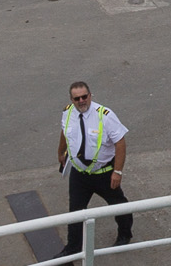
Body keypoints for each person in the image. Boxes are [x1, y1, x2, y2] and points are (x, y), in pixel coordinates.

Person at [57, 80, 133, 253]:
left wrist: (117, 172)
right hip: (79, 174)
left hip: (104, 173)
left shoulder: (104, 116)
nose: (81, 101)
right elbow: (64, 132)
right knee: (75, 212)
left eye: (84, 96)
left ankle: (125, 234)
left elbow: (120, 143)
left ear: (90, 96)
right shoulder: (68, 113)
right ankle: (72, 248)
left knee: (119, 205)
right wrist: (60, 152)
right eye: (77, 98)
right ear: (72, 100)